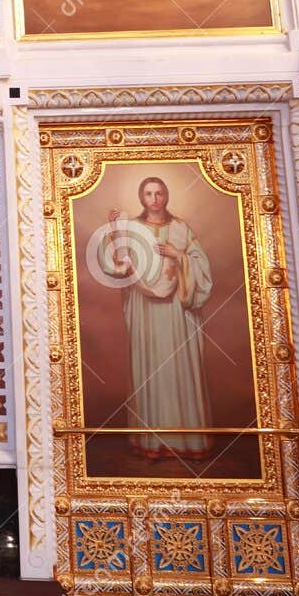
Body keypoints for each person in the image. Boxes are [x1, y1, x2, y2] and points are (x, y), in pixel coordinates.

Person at [95, 177, 213, 460]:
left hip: (176, 311)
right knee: (150, 369)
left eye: (159, 193)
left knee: (180, 367)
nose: (154, 199)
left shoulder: (181, 228)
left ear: (166, 195)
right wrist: (114, 232)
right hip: (145, 310)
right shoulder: (132, 229)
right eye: (148, 193)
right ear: (141, 197)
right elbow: (116, 264)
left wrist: (179, 255)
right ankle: (152, 441)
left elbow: (202, 268)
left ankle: (189, 442)